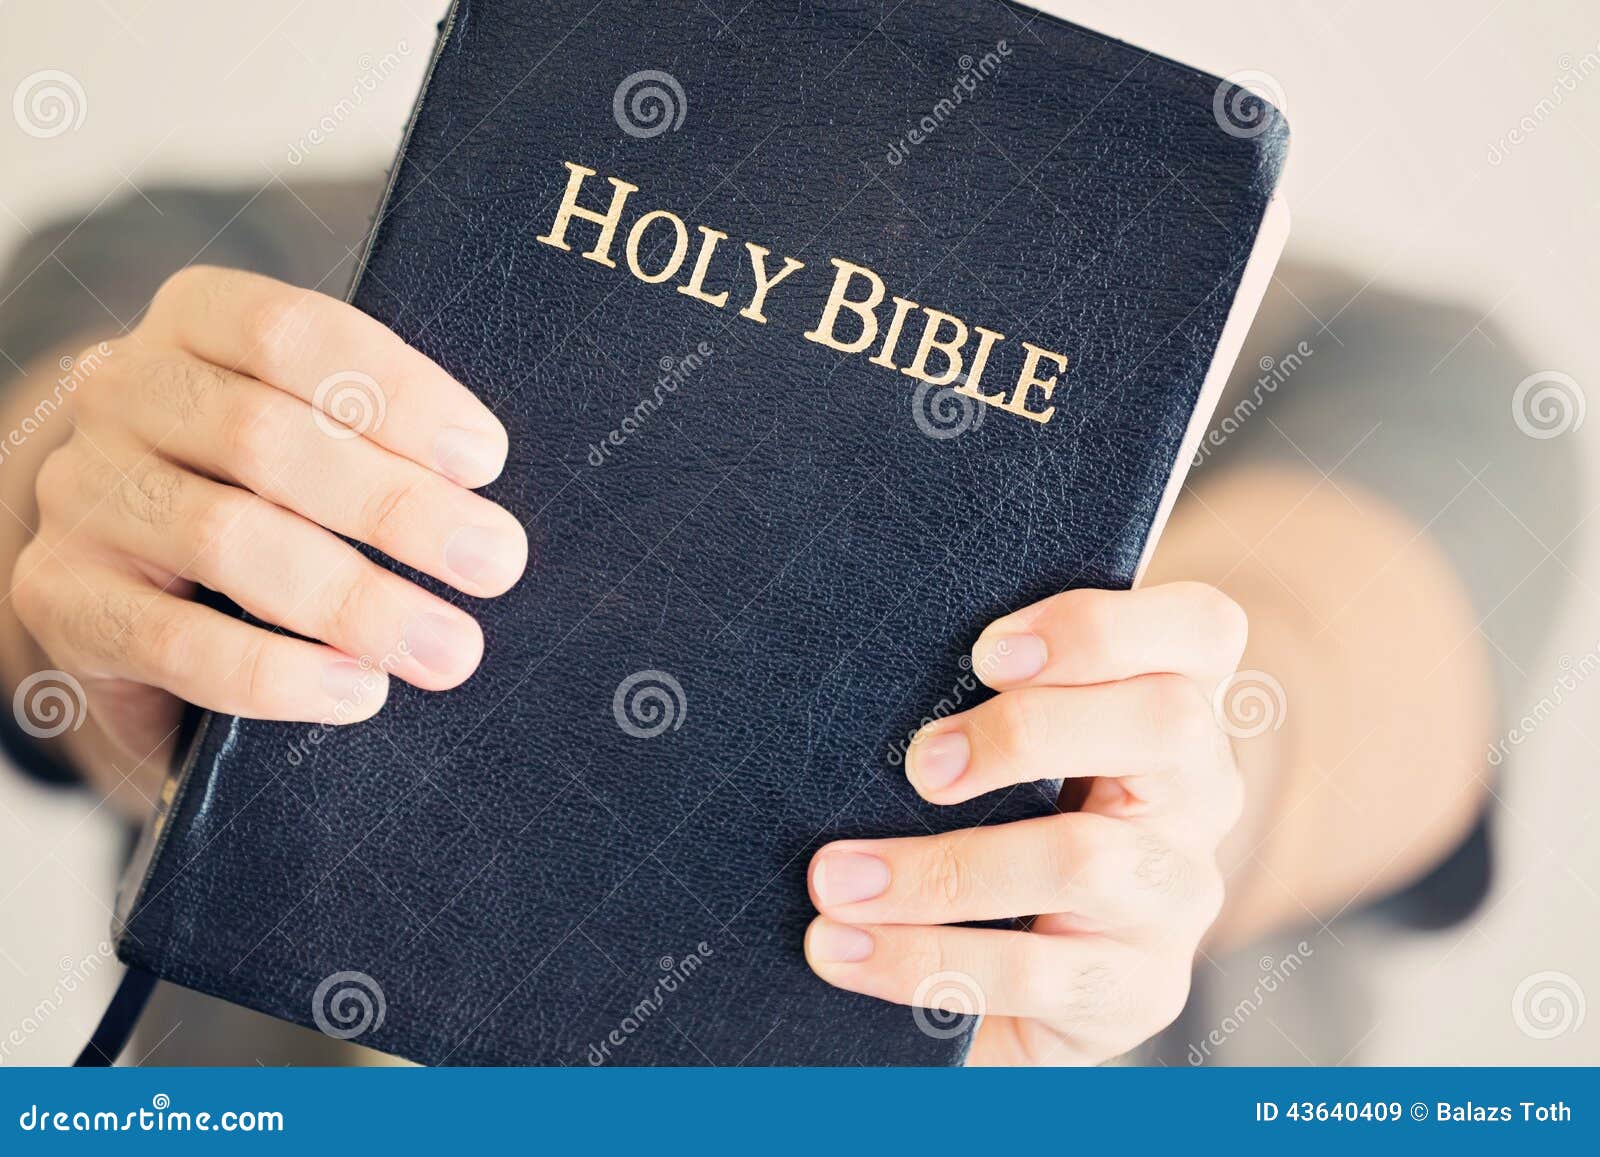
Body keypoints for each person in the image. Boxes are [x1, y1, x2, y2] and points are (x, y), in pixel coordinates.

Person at [0, 181, 1572, 1066]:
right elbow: (56, 428)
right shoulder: (247, 252)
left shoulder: (1394, 359)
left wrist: (1155, 813)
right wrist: (99, 514)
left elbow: (1328, 656)